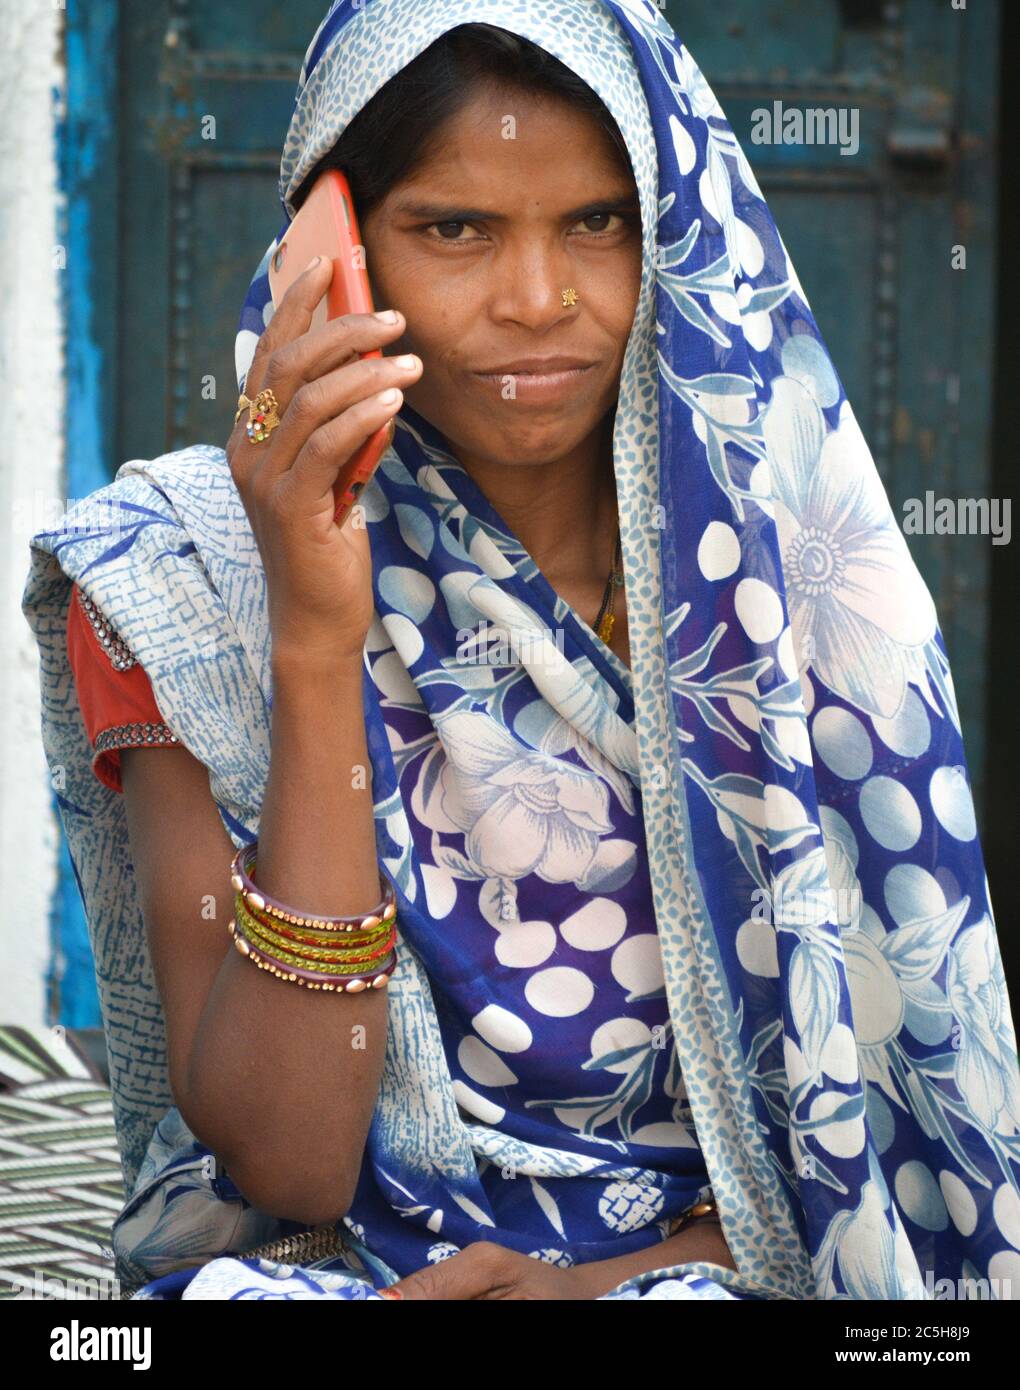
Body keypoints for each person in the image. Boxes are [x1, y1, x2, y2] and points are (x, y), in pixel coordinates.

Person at [23, 0, 1020, 1302]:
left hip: (723, 1263)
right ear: (333, 256)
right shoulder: (178, 575)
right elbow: (290, 1162)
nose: (540, 300)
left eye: (600, 221)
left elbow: (883, 1164)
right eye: (454, 228)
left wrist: (610, 1280)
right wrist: (317, 636)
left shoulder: (791, 578)